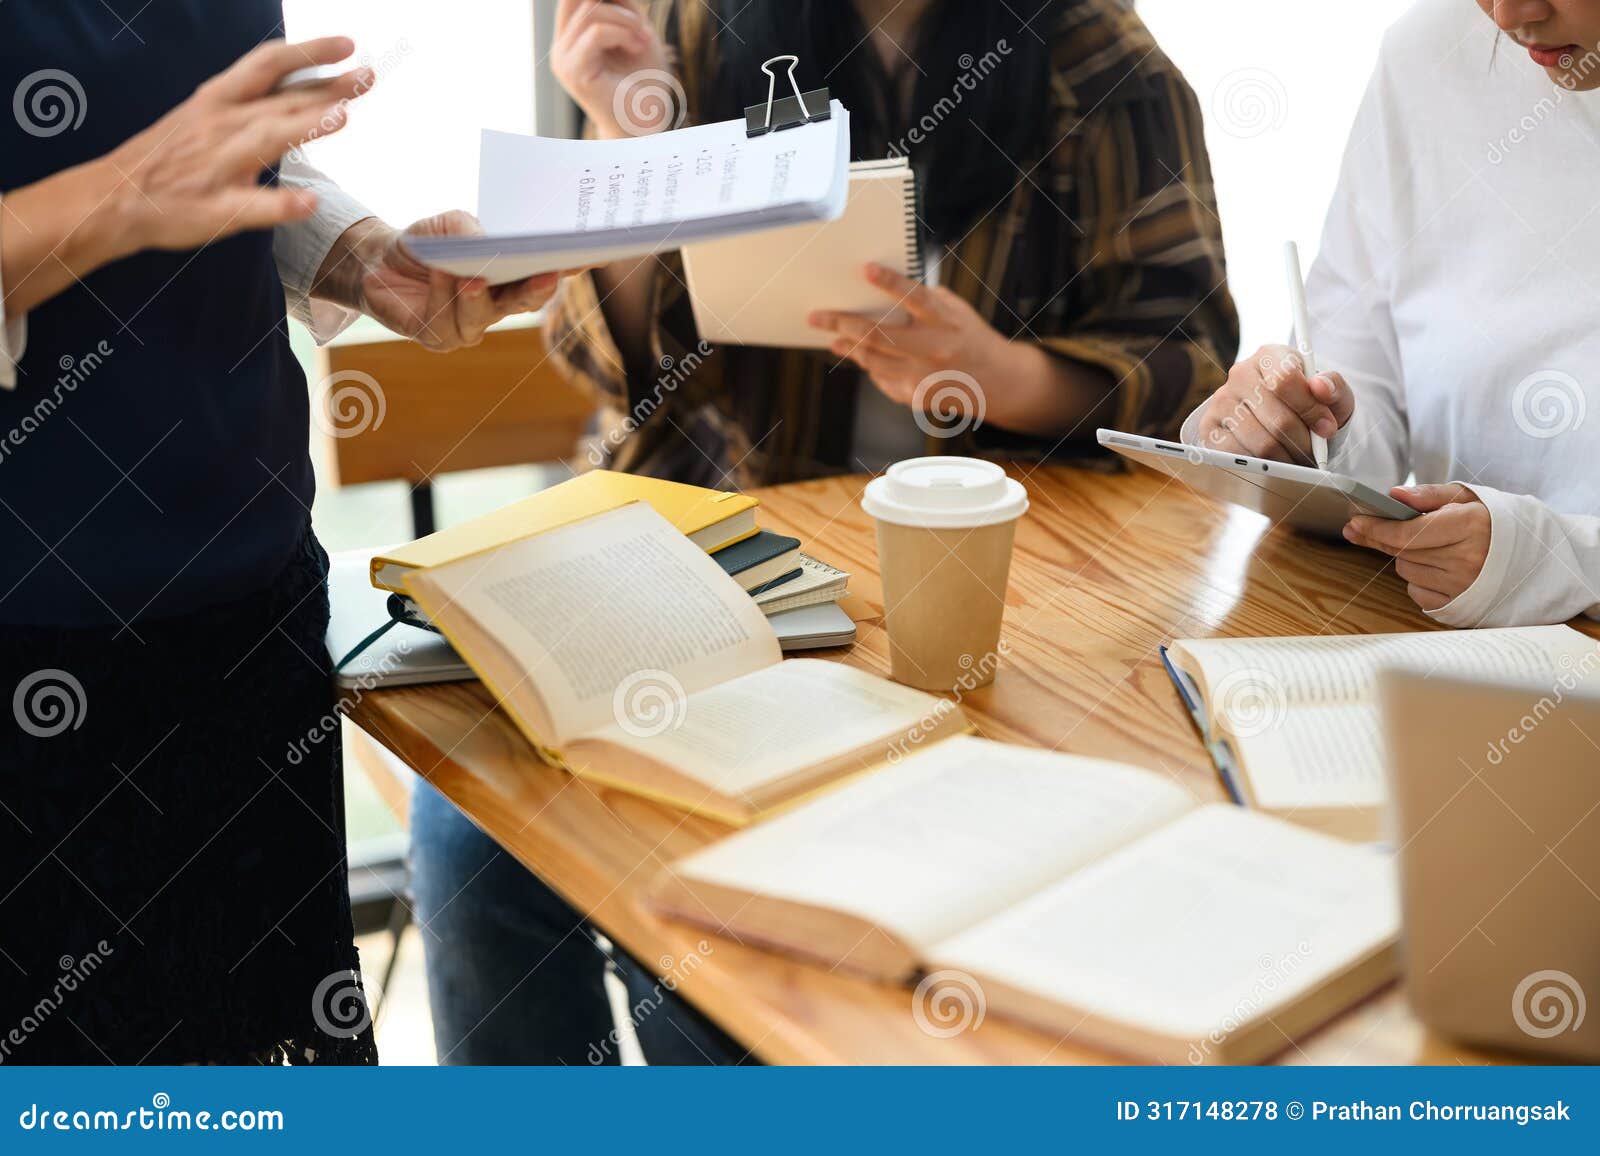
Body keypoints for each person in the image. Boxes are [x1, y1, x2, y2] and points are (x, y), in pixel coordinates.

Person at [411, 0, 1239, 1064]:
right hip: (736, 555)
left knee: (718, 928)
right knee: (473, 830)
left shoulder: (1096, 55)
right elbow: (608, 364)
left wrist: (999, 375)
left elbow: (1193, 368)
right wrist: (625, 133)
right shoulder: (691, 34)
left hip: (1010, 585)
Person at [0, 3, 564, 1064]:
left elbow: (213, 143)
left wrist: (358, 255)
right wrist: (121, 194)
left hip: (251, 612)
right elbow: (144, 160)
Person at [1186, 0, 1599, 629]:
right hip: (1437, 645)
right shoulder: (1430, 53)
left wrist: (1561, 562)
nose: (1508, 14)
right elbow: (1363, 375)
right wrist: (1304, 433)